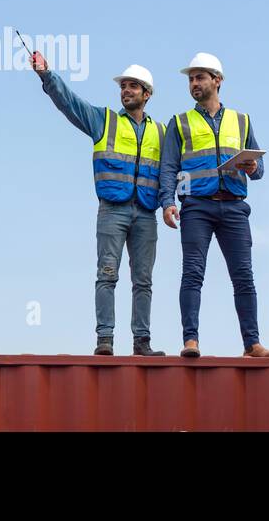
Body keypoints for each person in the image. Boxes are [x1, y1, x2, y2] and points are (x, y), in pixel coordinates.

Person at [32, 50, 166, 356]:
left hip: (146, 213)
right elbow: (70, 103)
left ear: (146, 94)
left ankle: (141, 342)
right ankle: (105, 339)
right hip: (112, 210)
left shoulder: (161, 132)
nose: (126, 91)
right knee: (107, 274)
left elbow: (174, 168)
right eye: (123, 86)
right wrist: (47, 75)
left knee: (143, 280)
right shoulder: (103, 120)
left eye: (133, 86)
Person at [158, 52, 269, 358]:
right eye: (191, 79)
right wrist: (167, 202)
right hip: (196, 207)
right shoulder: (179, 123)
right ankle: (191, 341)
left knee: (244, 277)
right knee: (193, 273)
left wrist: (253, 168)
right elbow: (168, 167)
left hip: (235, 207)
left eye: (200, 77)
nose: (194, 83)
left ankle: (252, 344)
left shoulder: (241, 121)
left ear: (218, 80)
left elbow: (259, 169)